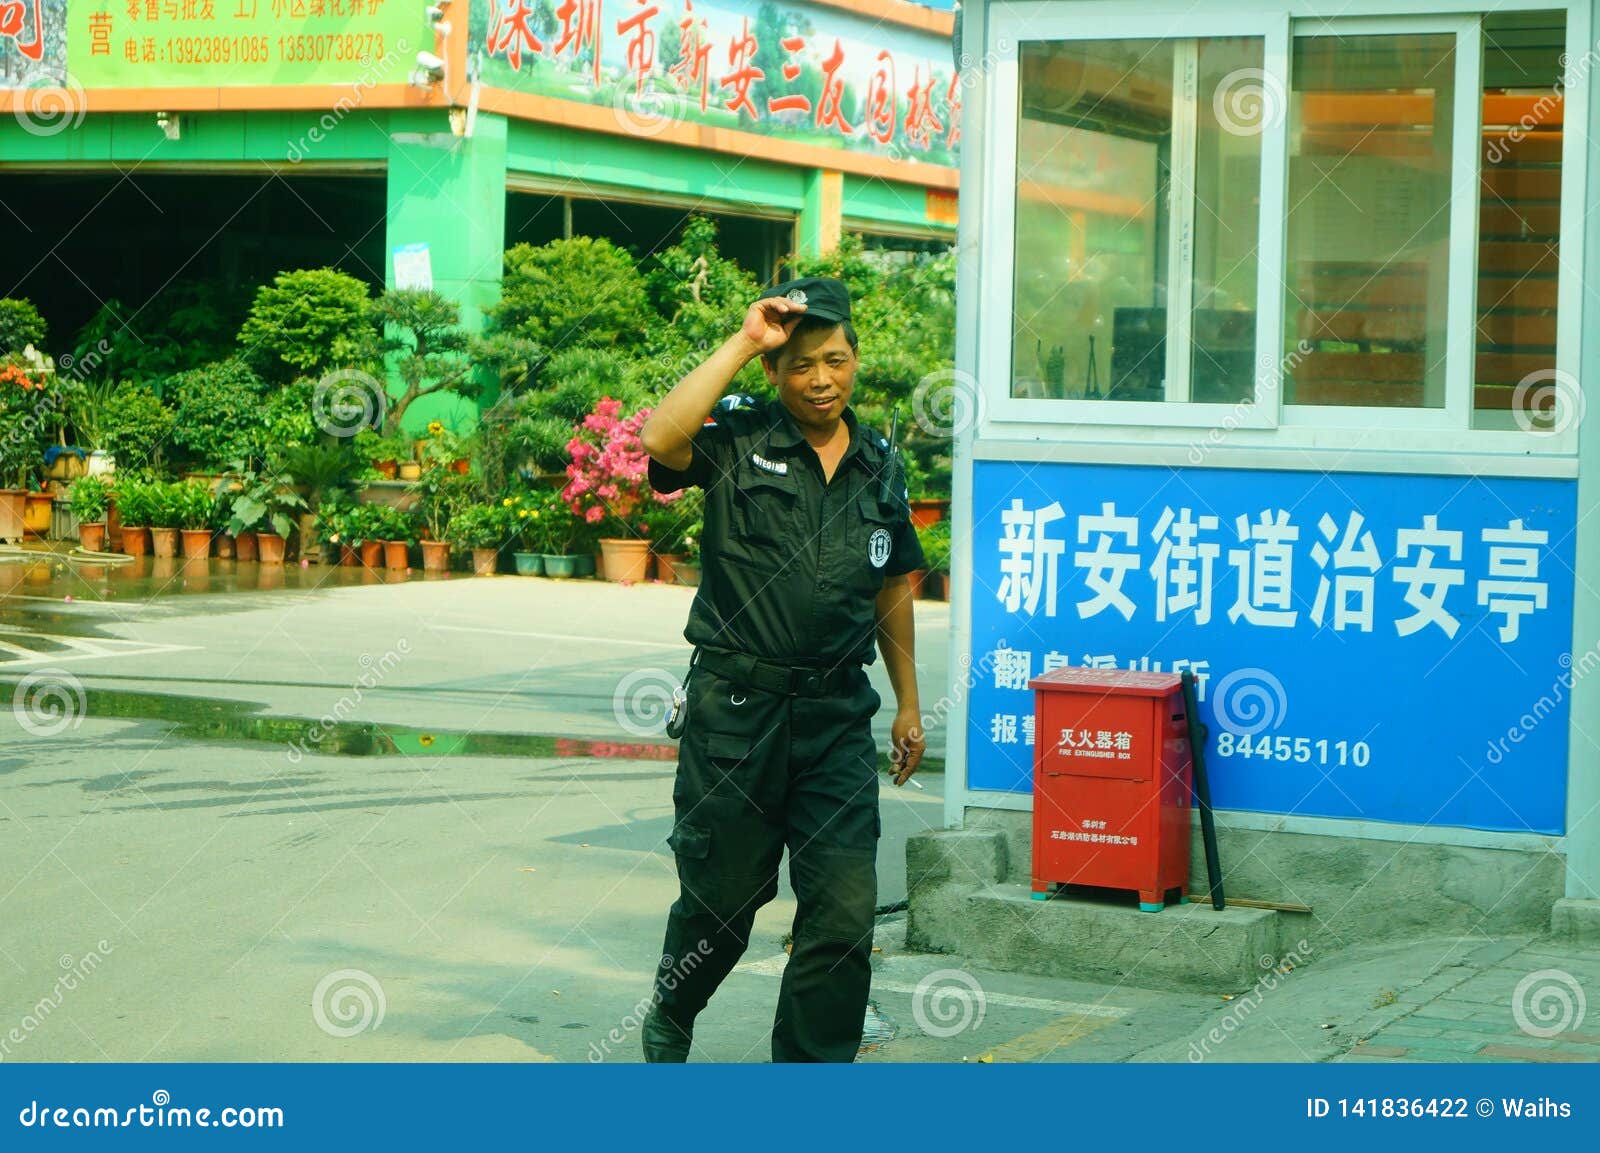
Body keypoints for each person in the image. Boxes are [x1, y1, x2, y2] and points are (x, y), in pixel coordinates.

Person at [636, 275, 926, 1063]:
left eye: (836, 359)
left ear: (855, 359)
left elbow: (892, 582)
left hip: (835, 718)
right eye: (801, 365)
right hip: (736, 711)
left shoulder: (880, 462)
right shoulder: (736, 436)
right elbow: (659, 443)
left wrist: (908, 702)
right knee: (723, 900)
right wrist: (742, 339)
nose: (822, 379)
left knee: (841, 912)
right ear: (775, 372)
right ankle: (675, 1005)